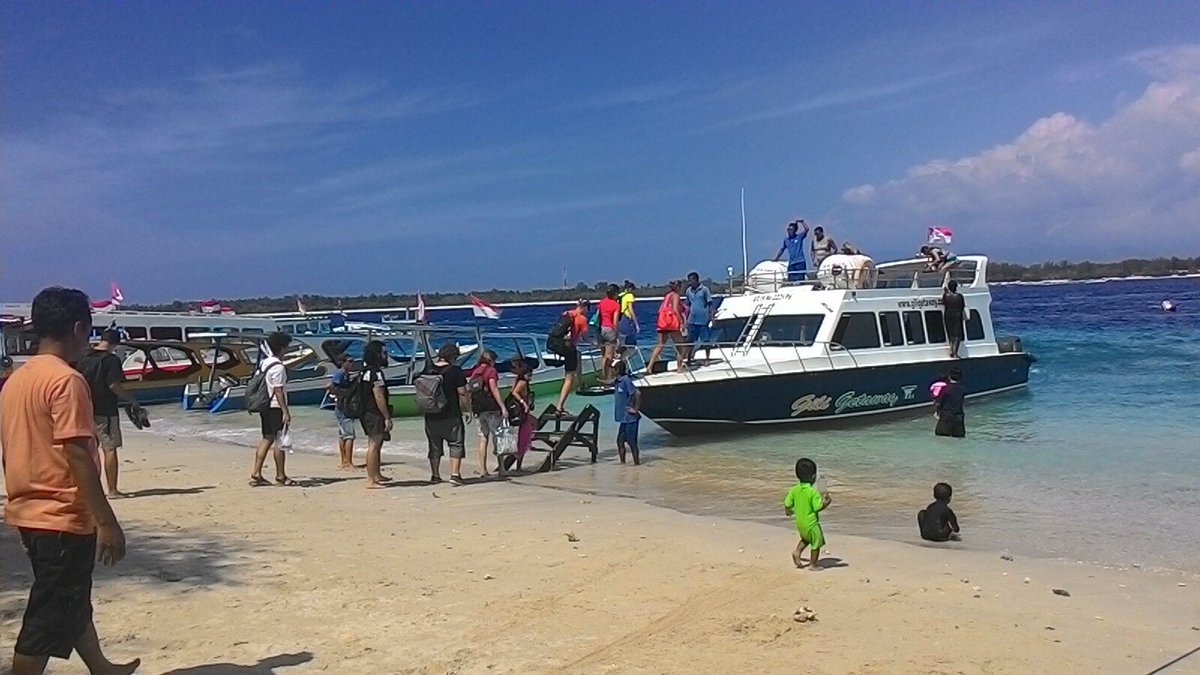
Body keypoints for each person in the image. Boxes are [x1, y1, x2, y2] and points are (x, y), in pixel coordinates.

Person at [1, 287, 140, 675]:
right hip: (60, 513)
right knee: (49, 613)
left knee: (70, 598)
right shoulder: (66, 381)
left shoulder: (17, 378)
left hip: (27, 507)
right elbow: (78, 453)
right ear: (79, 328)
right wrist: (107, 522)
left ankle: (101, 667)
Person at [75, 328, 144, 498]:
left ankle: (87, 488)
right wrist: (131, 399)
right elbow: (113, 385)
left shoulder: (84, 357)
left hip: (85, 408)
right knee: (110, 449)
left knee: (89, 449)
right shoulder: (111, 360)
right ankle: (112, 490)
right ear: (116, 343)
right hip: (105, 409)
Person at [249, 331, 295, 487]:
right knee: (279, 441)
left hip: (264, 405)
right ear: (282, 348)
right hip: (275, 406)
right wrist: (285, 411)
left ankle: (256, 473)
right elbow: (278, 390)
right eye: (287, 347)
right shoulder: (279, 368)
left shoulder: (265, 363)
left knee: (267, 438)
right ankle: (281, 476)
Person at [423, 343, 469, 485]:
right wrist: (467, 410)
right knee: (455, 443)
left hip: (430, 414)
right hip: (451, 414)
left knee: (434, 445)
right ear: (453, 357)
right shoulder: (455, 371)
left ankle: (435, 475)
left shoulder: (428, 369)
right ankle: (455, 475)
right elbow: (462, 392)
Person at [784, 457, 831, 570]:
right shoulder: (812, 492)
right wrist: (827, 502)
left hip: (800, 523)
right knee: (816, 542)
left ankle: (797, 552)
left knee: (806, 539)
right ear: (814, 477)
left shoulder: (794, 489)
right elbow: (817, 507)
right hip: (811, 523)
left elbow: (787, 502)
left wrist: (787, 510)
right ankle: (813, 564)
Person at [467, 349, 507, 476]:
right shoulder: (491, 371)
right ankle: (501, 468)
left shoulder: (475, 372)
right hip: (491, 409)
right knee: (498, 437)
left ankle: (483, 470)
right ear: (491, 360)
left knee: (483, 438)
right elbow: (493, 388)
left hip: (479, 409)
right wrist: (502, 407)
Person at [548, 300, 590, 416]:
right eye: (587, 309)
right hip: (568, 349)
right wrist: (594, 343)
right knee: (569, 378)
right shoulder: (582, 319)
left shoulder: (566, 314)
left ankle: (581, 383)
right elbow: (586, 338)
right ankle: (560, 407)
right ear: (584, 307)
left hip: (554, 344)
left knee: (575, 358)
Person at [361, 340, 393, 488]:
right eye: (384, 353)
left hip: (366, 412)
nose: (386, 356)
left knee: (375, 444)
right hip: (374, 412)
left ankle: (376, 474)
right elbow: (379, 395)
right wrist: (387, 417)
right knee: (374, 444)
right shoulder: (376, 373)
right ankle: (371, 479)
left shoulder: (365, 371)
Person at [646, 280, 686, 374]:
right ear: (679, 287)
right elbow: (675, 309)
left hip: (663, 323)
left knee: (660, 345)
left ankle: (649, 366)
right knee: (681, 345)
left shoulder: (667, 295)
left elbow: (661, 309)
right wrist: (681, 322)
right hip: (672, 323)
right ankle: (679, 367)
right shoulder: (676, 296)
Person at [505, 356, 535, 473]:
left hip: (521, 414)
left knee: (524, 436)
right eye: (529, 375)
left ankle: (518, 464)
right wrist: (524, 403)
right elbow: (515, 393)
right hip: (522, 413)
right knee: (524, 437)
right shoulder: (522, 382)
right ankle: (518, 466)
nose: (531, 377)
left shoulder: (520, 381)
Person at [327, 354, 357, 470]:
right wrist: (341, 394)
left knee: (343, 435)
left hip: (341, 407)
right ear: (343, 362)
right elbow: (329, 386)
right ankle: (348, 462)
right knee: (349, 435)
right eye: (349, 361)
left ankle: (344, 460)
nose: (352, 363)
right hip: (343, 407)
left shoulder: (345, 374)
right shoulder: (340, 374)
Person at [612, 359, 641, 465]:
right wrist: (599, 380)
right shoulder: (617, 381)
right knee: (619, 441)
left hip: (631, 419)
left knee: (632, 442)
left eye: (613, 369)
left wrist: (635, 409)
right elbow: (609, 382)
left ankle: (637, 464)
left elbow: (637, 393)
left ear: (618, 370)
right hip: (623, 420)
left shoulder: (626, 380)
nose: (611, 371)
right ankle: (623, 464)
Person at [683, 272, 714, 367]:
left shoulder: (704, 290)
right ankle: (688, 359)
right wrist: (685, 320)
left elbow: (710, 304)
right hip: (692, 319)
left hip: (703, 319)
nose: (690, 282)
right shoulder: (688, 291)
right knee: (690, 341)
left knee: (706, 341)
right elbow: (687, 305)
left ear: (696, 280)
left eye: (691, 280)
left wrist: (712, 317)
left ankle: (707, 359)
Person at [597, 284, 621, 383]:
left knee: (604, 356)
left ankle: (604, 376)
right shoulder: (616, 305)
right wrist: (617, 334)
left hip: (601, 329)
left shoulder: (601, 303)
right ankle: (608, 378)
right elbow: (615, 322)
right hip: (609, 329)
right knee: (609, 356)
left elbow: (599, 317)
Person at [934, 367, 966, 438]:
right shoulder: (962, 389)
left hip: (946, 417)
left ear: (949, 376)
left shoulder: (945, 389)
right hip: (959, 417)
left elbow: (939, 403)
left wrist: (937, 412)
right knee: (959, 438)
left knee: (942, 438)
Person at [942, 280, 966, 358]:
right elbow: (962, 306)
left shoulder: (946, 295)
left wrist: (946, 291)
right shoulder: (959, 296)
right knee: (957, 335)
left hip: (948, 315)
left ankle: (952, 351)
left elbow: (944, 303)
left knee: (951, 334)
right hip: (956, 315)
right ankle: (955, 352)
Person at [616, 280, 639, 357]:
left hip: (618, 319)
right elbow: (631, 310)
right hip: (626, 319)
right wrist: (636, 324)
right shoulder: (629, 296)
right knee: (632, 344)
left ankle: (618, 355)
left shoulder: (620, 295)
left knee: (621, 339)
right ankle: (623, 359)